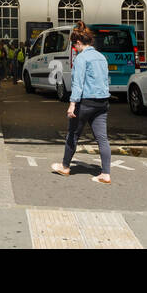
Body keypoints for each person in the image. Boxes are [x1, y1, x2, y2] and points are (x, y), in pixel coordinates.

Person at [51, 27, 112, 183]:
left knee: (73, 134)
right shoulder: (101, 57)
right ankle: (105, 174)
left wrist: (72, 104)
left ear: (78, 43)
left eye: (74, 46)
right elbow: (106, 80)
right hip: (102, 101)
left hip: (85, 102)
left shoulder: (81, 58)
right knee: (102, 138)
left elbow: (78, 84)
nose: (75, 49)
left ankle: (65, 166)